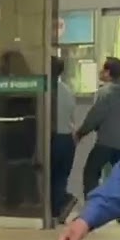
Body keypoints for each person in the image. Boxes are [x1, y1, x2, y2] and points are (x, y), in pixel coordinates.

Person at [76, 56, 120, 225]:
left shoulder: (106, 92)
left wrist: (81, 132)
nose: (100, 72)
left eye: (103, 69)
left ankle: (91, 213)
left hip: (106, 142)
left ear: (108, 72)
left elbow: (95, 116)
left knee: (90, 172)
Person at [50, 56, 78, 222]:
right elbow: (72, 118)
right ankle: (59, 207)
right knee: (60, 177)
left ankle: (62, 203)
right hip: (67, 139)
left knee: (49, 176)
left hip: (52, 138)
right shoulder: (67, 90)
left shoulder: (45, 90)